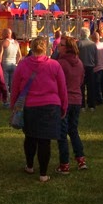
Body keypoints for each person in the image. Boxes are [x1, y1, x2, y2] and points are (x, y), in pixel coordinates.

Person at [11, 36, 68, 182]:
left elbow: (15, 87)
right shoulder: (54, 65)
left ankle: (29, 165)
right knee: (45, 140)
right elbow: (62, 89)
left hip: (30, 106)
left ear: (31, 47)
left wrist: (14, 106)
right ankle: (43, 174)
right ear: (47, 48)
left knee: (30, 137)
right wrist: (64, 107)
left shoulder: (23, 65)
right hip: (50, 106)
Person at [54, 35, 85, 175]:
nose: (58, 47)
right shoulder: (79, 63)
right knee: (73, 130)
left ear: (66, 48)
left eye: (60, 45)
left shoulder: (60, 63)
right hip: (77, 99)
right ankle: (81, 159)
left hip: (64, 99)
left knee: (62, 132)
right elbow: (81, 81)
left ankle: (64, 163)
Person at [0, 28, 22, 106]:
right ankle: (13, 101)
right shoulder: (16, 43)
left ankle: (7, 102)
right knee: (12, 84)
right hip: (13, 64)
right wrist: (16, 63)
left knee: (5, 83)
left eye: (3, 33)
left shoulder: (4, 42)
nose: (2, 35)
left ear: (7, 34)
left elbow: (0, 55)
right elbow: (20, 55)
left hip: (5, 64)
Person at [78, 26, 97, 110]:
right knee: (91, 87)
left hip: (81, 67)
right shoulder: (93, 44)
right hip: (91, 67)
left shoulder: (78, 43)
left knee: (81, 87)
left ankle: (82, 105)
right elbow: (96, 56)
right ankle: (91, 105)